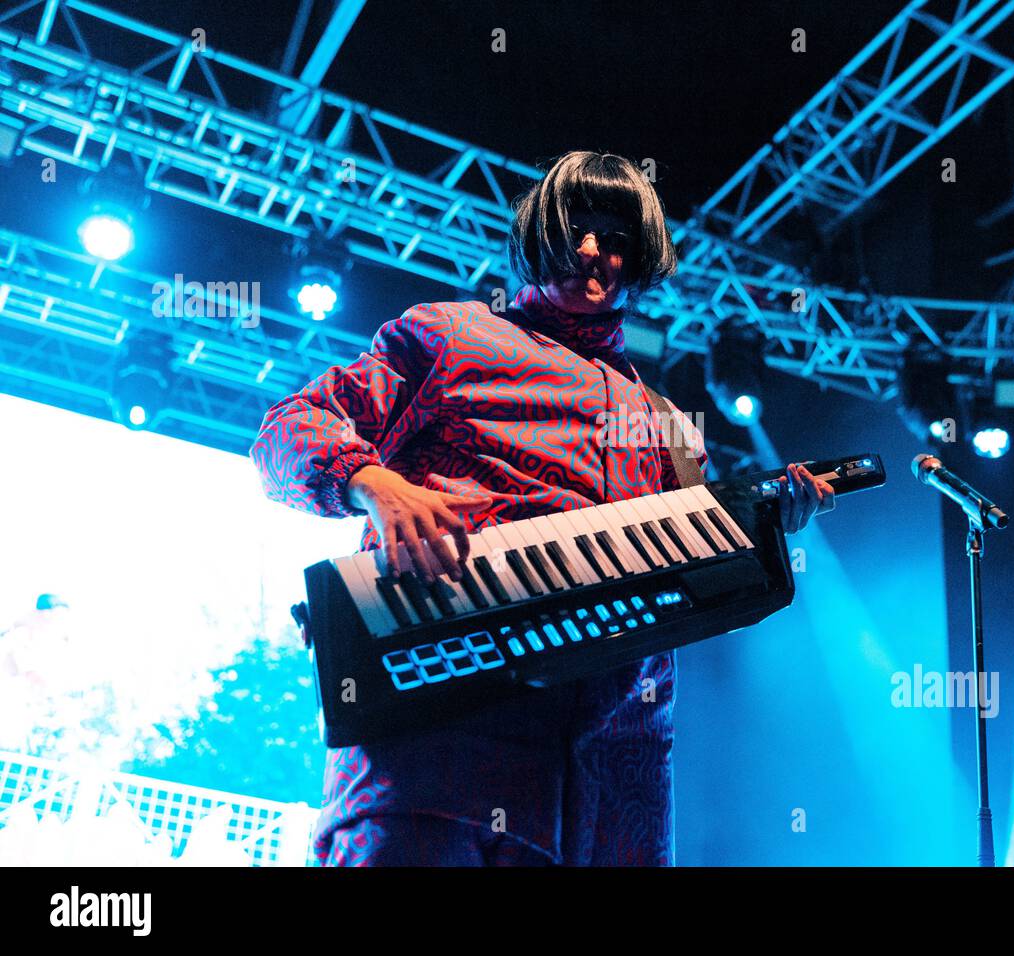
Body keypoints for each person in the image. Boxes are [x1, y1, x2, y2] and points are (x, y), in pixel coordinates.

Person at [250, 150, 833, 866]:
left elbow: (691, 577)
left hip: (605, 788)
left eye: (617, 239)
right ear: (537, 235)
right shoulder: (448, 336)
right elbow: (286, 432)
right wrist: (375, 484)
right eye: (575, 228)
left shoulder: (672, 431)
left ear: (641, 261)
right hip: (434, 753)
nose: (593, 251)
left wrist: (771, 522)